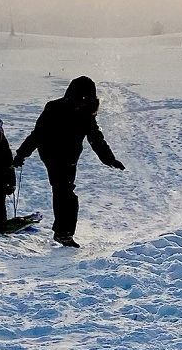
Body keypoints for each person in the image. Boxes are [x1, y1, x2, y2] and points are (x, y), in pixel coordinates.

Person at [14, 76, 124, 247]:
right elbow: (37, 134)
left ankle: (62, 232)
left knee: (64, 192)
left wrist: (109, 159)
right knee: (64, 192)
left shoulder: (86, 113)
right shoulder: (54, 108)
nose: (85, 100)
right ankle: (63, 233)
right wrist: (21, 155)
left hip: (70, 158)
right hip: (51, 155)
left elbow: (96, 138)